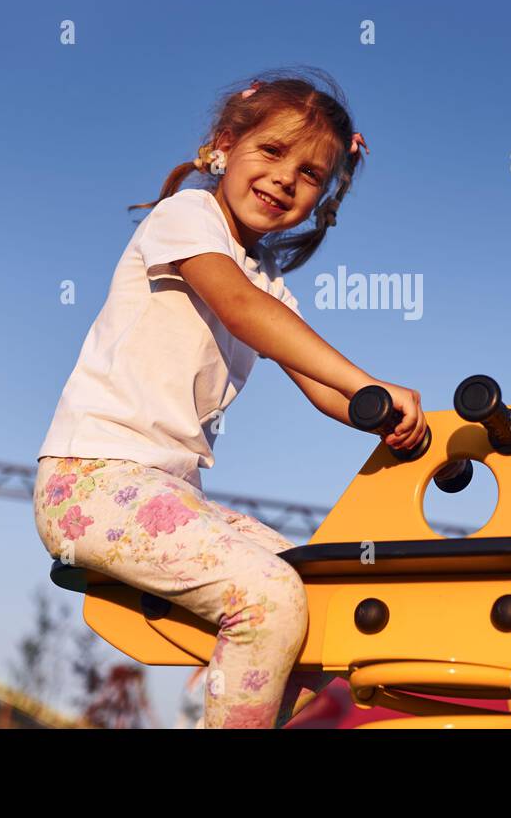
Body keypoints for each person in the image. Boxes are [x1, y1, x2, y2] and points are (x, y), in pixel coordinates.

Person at [34, 69, 440, 728]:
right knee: (269, 596)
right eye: (272, 152)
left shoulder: (265, 278)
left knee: (321, 596)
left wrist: (387, 421)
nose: (286, 178)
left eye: (310, 174)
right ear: (225, 144)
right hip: (90, 481)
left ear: (322, 197)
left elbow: (319, 386)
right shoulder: (186, 218)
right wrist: (366, 381)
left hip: (165, 493)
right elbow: (240, 309)